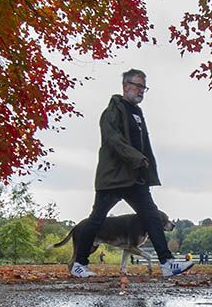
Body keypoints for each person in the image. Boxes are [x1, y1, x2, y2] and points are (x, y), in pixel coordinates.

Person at [70, 69, 194, 278]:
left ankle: (166, 262)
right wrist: (136, 158)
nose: (141, 91)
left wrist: (146, 168)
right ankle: (79, 264)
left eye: (144, 87)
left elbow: (143, 145)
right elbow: (113, 140)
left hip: (135, 177)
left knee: (152, 216)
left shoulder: (137, 113)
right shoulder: (112, 111)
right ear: (125, 86)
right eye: (137, 86)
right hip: (114, 177)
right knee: (96, 220)